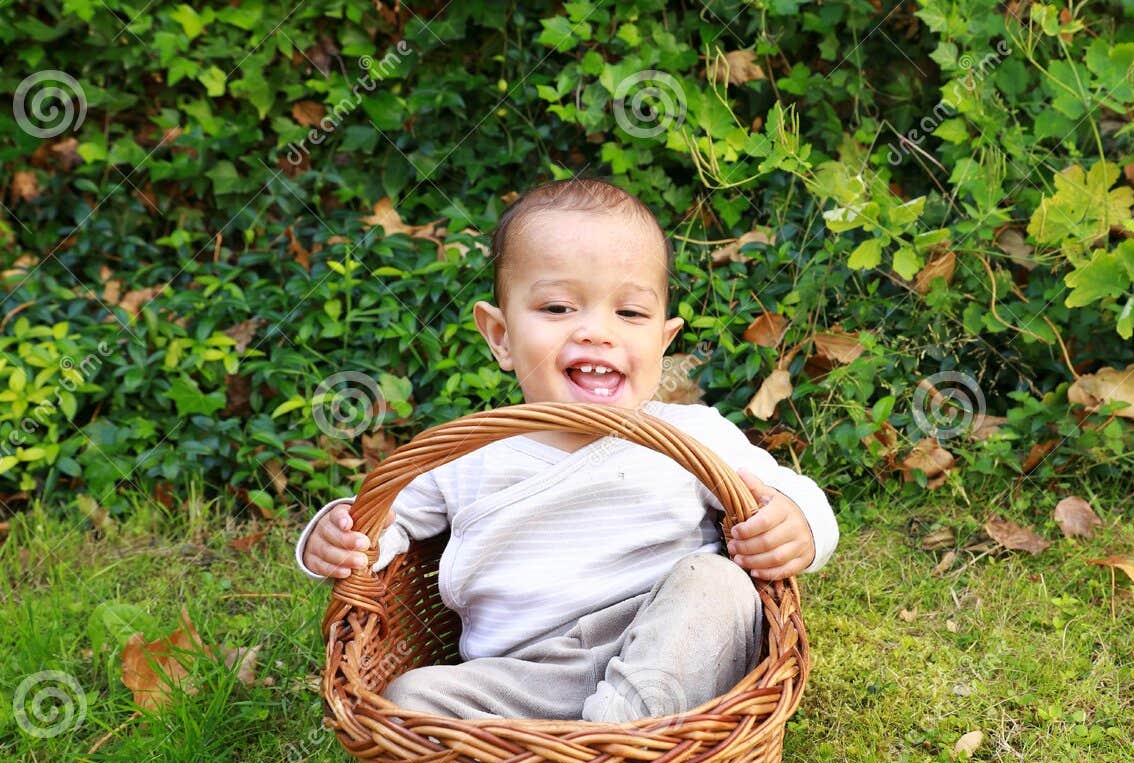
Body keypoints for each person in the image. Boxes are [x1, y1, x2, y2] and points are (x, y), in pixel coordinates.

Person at [294, 177, 839, 723]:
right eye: (557, 307)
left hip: (663, 656)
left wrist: (797, 524)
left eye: (629, 314)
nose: (597, 332)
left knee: (717, 583)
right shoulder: (466, 452)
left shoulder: (691, 434)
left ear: (663, 343)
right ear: (501, 336)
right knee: (410, 699)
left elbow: (788, 493)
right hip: (521, 686)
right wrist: (336, 536)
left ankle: (621, 734)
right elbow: (380, 526)